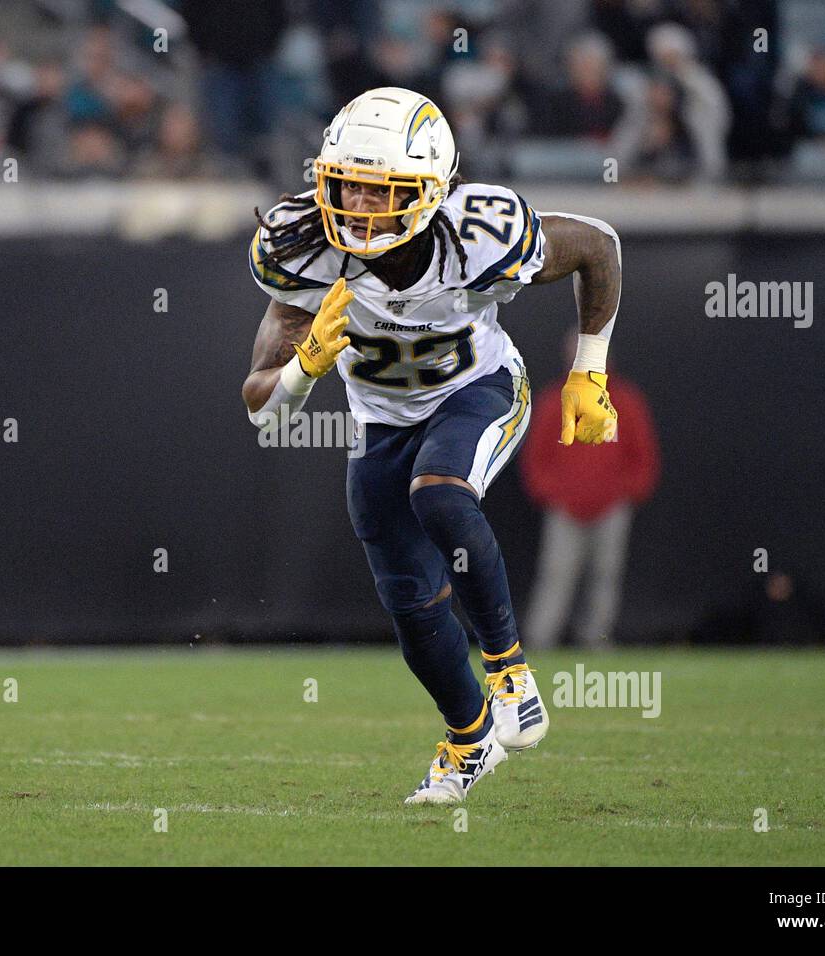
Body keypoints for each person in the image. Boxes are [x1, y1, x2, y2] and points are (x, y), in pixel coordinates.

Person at [242, 88, 622, 804]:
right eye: (345, 184)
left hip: (476, 393)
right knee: (412, 608)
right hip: (381, 423)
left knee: (440, 493)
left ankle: (510, 671)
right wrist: (304, 367)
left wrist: (589, 370)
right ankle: (470, 739)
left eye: (378, 190)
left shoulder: (475, 234)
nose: (355, 204)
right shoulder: (305, 249)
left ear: (426, 191)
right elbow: (262, 406)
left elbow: (598, 244)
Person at [519, 333, 660, 650]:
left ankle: (595, 641)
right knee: (556, 575)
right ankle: (540, 642)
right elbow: (534, 459)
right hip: (564, 510)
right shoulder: (555, 400)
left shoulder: (626, 400)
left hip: (612, 509)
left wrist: (626, 494)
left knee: (605, 577)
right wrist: (553, 495)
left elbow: (643, 457)